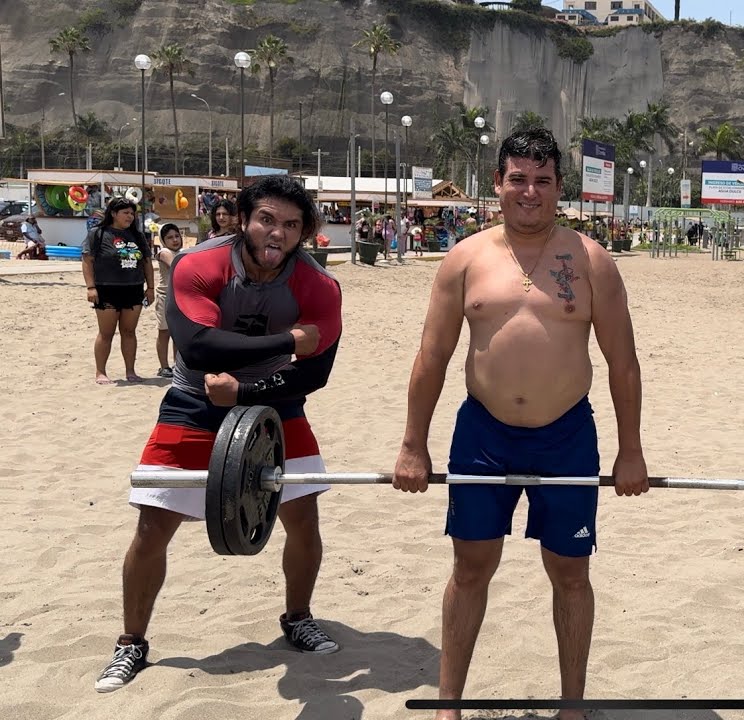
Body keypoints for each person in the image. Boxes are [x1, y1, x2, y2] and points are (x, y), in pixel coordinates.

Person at [393, 128, 648, 720]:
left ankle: (572, 706)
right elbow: (431, 359)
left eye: (542, 181)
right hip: (484, 433)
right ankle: (448, 704)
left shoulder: (592, 261)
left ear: (560, 187)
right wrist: (413, 445)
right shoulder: (465, 258)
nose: (529, 192)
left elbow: (623, 363)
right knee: (470, 566)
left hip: (567, 435)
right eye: (517, 179)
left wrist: (630, 451)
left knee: (570, 574)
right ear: (498, 183)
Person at [94, 176, 344, 693]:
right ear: (243, 220)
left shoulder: (318, 284)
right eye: (267, 220)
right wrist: (288, 339)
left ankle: (297, 616)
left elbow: (315, 373)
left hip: (277, 401)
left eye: (292, 225)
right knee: (152, 525)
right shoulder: (200, 264)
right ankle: (131, 642)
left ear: (305, 232)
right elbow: (200, 347)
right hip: (193, 401)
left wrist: (252, 389)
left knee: (303, 517)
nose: (278, 233)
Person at [82, 198, 155, 385]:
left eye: (132, 213)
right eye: (126, 213)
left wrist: (151, 288)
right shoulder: (98, 234)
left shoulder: (137, 236)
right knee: (106, 333)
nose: (130, 217)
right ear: (114, 213)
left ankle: (130, 371)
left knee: (129, 332)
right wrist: (91, 287)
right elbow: (87, 261)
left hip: (134, 289)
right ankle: (100, 372)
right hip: (106, 289)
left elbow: (146, 262)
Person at [152, 224, 185, 378]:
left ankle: (177, 364)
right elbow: (176, 266)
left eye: (177, 236)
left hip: (180, 298)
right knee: (164, 332)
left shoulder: (182, 252)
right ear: (163, 241)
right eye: (170, 238)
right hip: (165, 297)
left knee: (178, 334)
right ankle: (164, 366)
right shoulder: (164, 252)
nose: (175, 240)